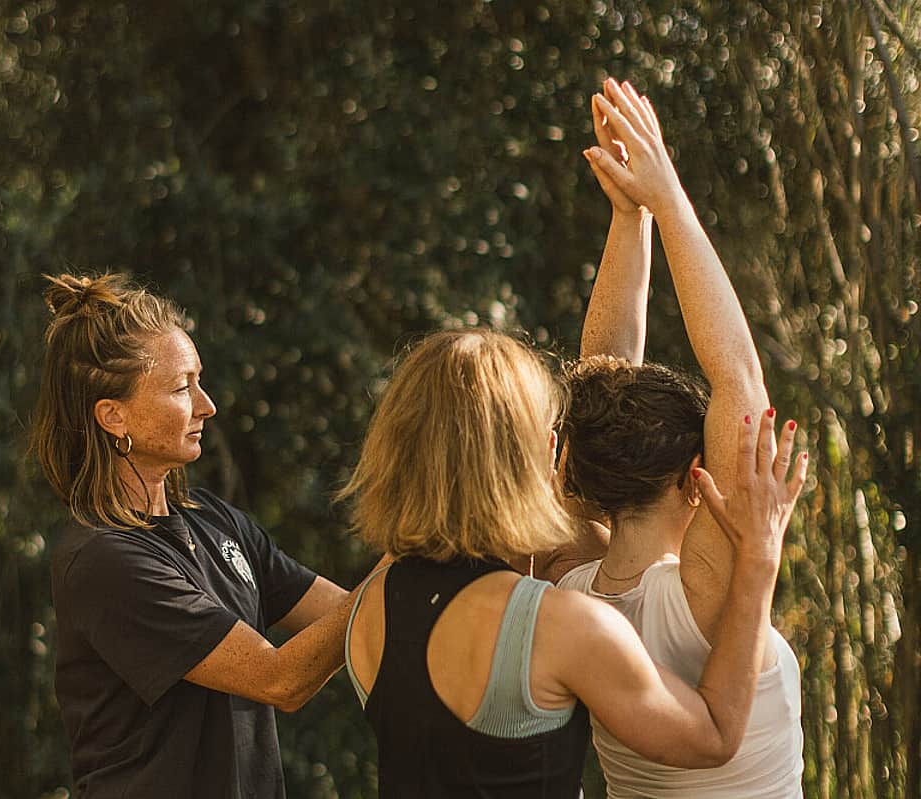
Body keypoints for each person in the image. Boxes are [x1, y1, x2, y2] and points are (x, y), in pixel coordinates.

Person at [341, 327, 806, 798]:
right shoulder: (564, 624)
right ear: (530, 457)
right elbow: (715, 736)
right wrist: (760, 555)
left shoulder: (369, 607)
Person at [31, 274, 385, 799]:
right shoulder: (105, 559)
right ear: (113, 416)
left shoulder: (215, 520)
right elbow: (279, 678)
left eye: (199, 381)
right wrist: (410, 547)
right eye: (181, 388)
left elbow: (355, 618)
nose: (207, 405)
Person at [556, 79, 806, 797]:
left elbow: (600, 386)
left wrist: (628, 217)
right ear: (692, 478)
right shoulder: (709, 587)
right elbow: (738, 376)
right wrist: (666, 198)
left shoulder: (575, 591)